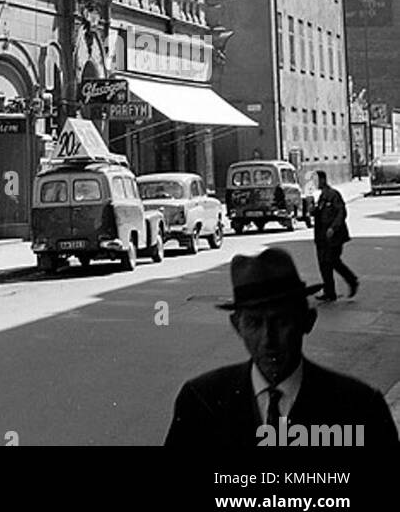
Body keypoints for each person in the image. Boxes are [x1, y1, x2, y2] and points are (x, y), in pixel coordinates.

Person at [165, 248, 398, 446]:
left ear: (307, 321)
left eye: (282, 321)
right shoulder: (201, 401)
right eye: (255, 323)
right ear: (238, 326)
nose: (268, 339)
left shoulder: (360, 408)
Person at [313, 170, 358, 301]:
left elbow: (341, 212)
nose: (314, 184)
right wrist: (312, 210)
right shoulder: (321, 197)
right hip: (322, 237)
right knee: (324, 264)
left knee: (333, 261)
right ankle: (329, 292)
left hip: (334, 237)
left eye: (316, 180)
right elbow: (319, 215)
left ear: (322, 180)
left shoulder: (333, 195)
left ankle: (352, 280)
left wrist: (333, 227)